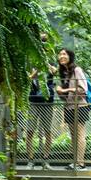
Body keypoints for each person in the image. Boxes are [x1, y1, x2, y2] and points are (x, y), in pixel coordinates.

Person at [55, 47, 90, 170]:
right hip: (69, 106)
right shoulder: (64, 73)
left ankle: (81, 163)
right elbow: (67, 95)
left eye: (64, 54)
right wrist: (60, 92)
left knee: (80, 134)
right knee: (73, 135)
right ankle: (75, 161)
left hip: (80, 105)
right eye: (60, 55)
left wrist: (65, 89)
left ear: (70, 57)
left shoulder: (77, 70)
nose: (61, 56)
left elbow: (83, 89)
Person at [25, 36, 56, 167]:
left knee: (48, 131)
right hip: (33, 101)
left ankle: (45, 159)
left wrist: (44, 62)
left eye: (44, 45)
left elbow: (54, 71)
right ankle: (30, 159)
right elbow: (29, 77)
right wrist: (38, 67)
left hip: (47, 102)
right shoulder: (29, 60)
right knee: (30, 131)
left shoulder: (51, 59)